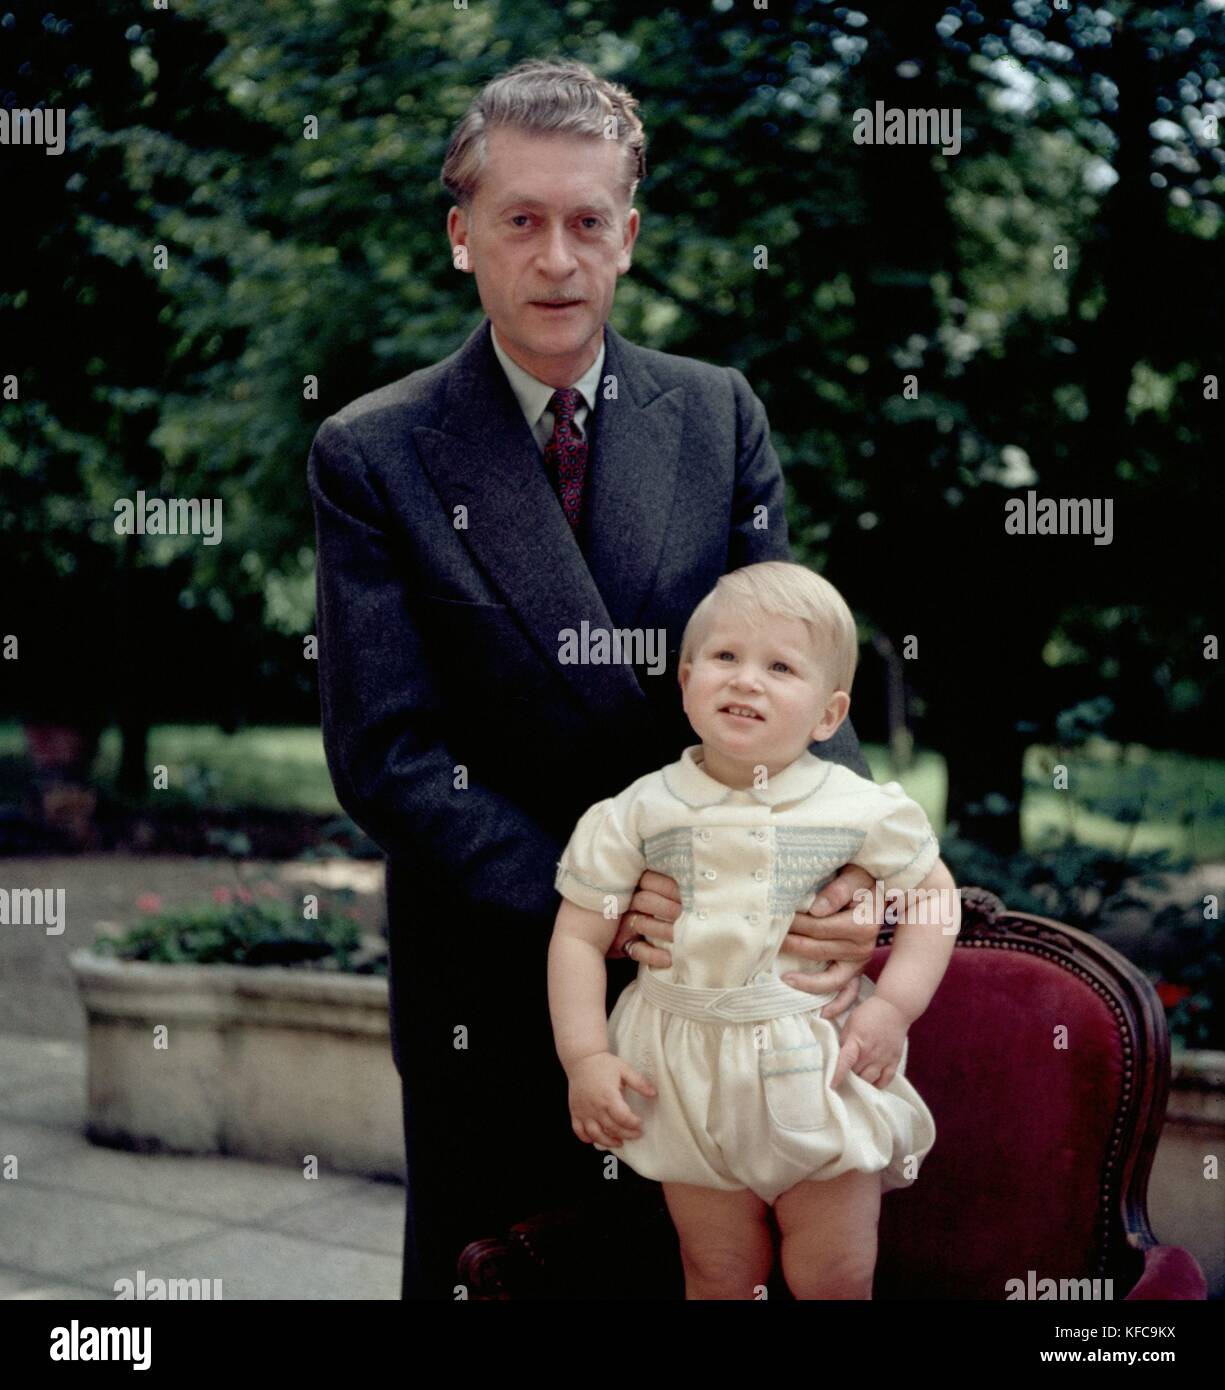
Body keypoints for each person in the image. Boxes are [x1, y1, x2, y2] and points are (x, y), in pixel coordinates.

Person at [309, 57, 892, 1301]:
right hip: (500, 977)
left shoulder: (717, 412)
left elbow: (790, 665)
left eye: (587, 222)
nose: (557, 258)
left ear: (629, 235)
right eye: (521, 220)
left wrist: (846, 863)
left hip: (732, 989)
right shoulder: (372, 451)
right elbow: (389, 753)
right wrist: (605, 904)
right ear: (463, 235)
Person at [549, 561, 961, 1300]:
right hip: (682, 1074)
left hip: (816, 1058)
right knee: (717, 1273)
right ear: (685, 680)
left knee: (832, 1273)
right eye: (725, 658)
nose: (745, 680)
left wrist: (892, 1006)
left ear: (828, 715)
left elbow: (935, 899)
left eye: (779, 666)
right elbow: (578, 935)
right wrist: (584, 1057)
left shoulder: (856, 808)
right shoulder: (639, 811)